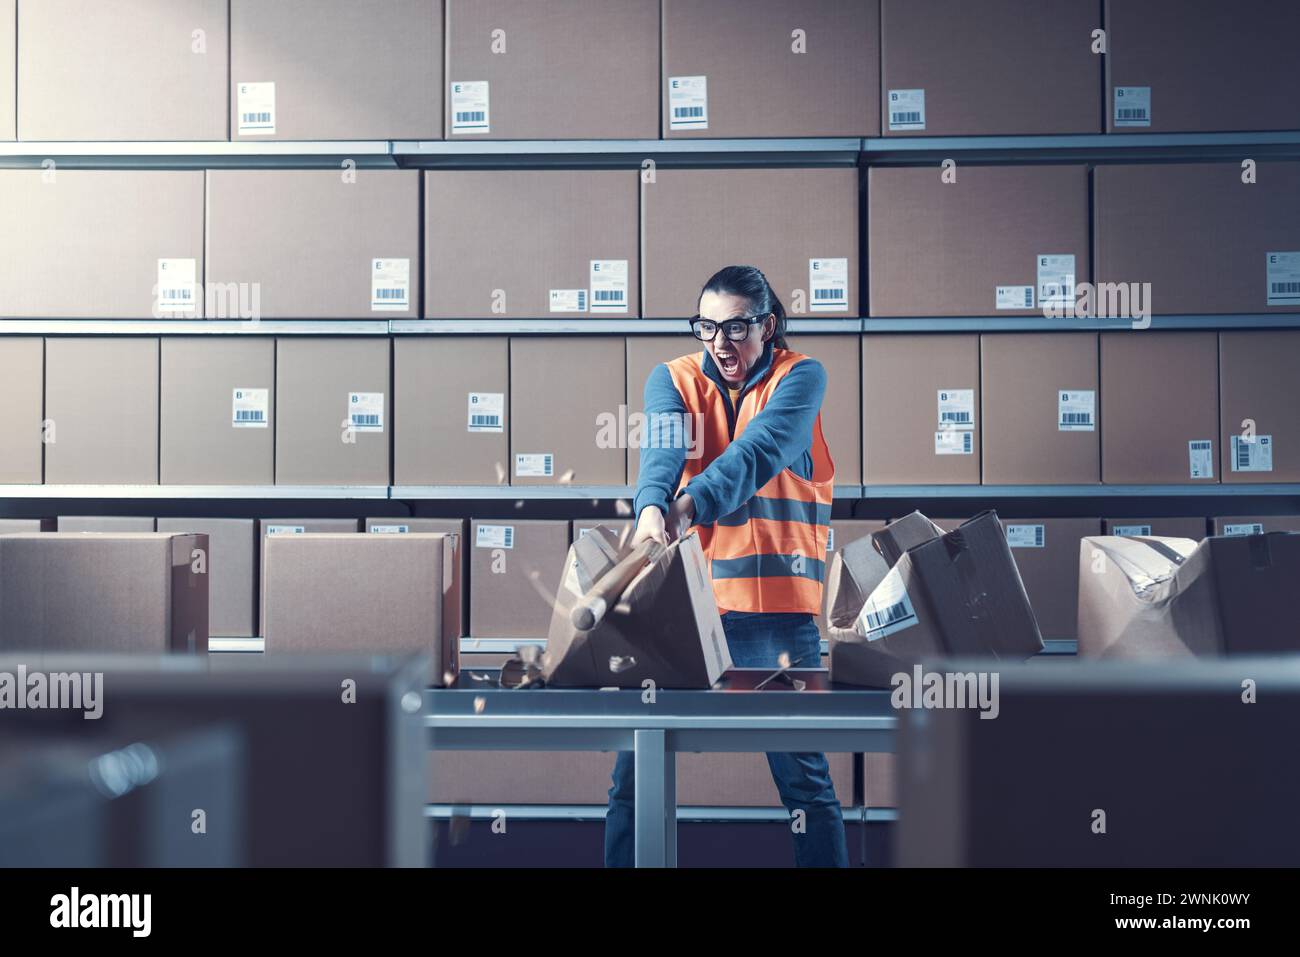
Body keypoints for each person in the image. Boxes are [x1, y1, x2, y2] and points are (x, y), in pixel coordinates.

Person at [603, 264, 848, 868]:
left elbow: (758, 452)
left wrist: (684, 509)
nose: (719, 343)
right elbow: (662, 447)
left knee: (805, 787)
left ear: (767, 326)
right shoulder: (673, 378)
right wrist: (651, 508)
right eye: (706, 327)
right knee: (634, 777)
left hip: (777, 618)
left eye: (736, 328)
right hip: (687, 610)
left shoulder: (800, 378)